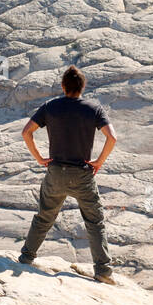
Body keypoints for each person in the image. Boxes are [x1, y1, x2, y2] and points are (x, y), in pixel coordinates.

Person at [18, 66, 116, 282]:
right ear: (83, 87)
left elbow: (26, 133)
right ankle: (103, 271)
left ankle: (26, 258)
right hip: (82, 174)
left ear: (63, 87)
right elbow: (112, 138)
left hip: (55, 173)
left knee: (44, 217)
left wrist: (39, 158)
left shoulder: (50, 107)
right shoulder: (94, 109)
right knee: (94, 222)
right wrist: (99, 162)